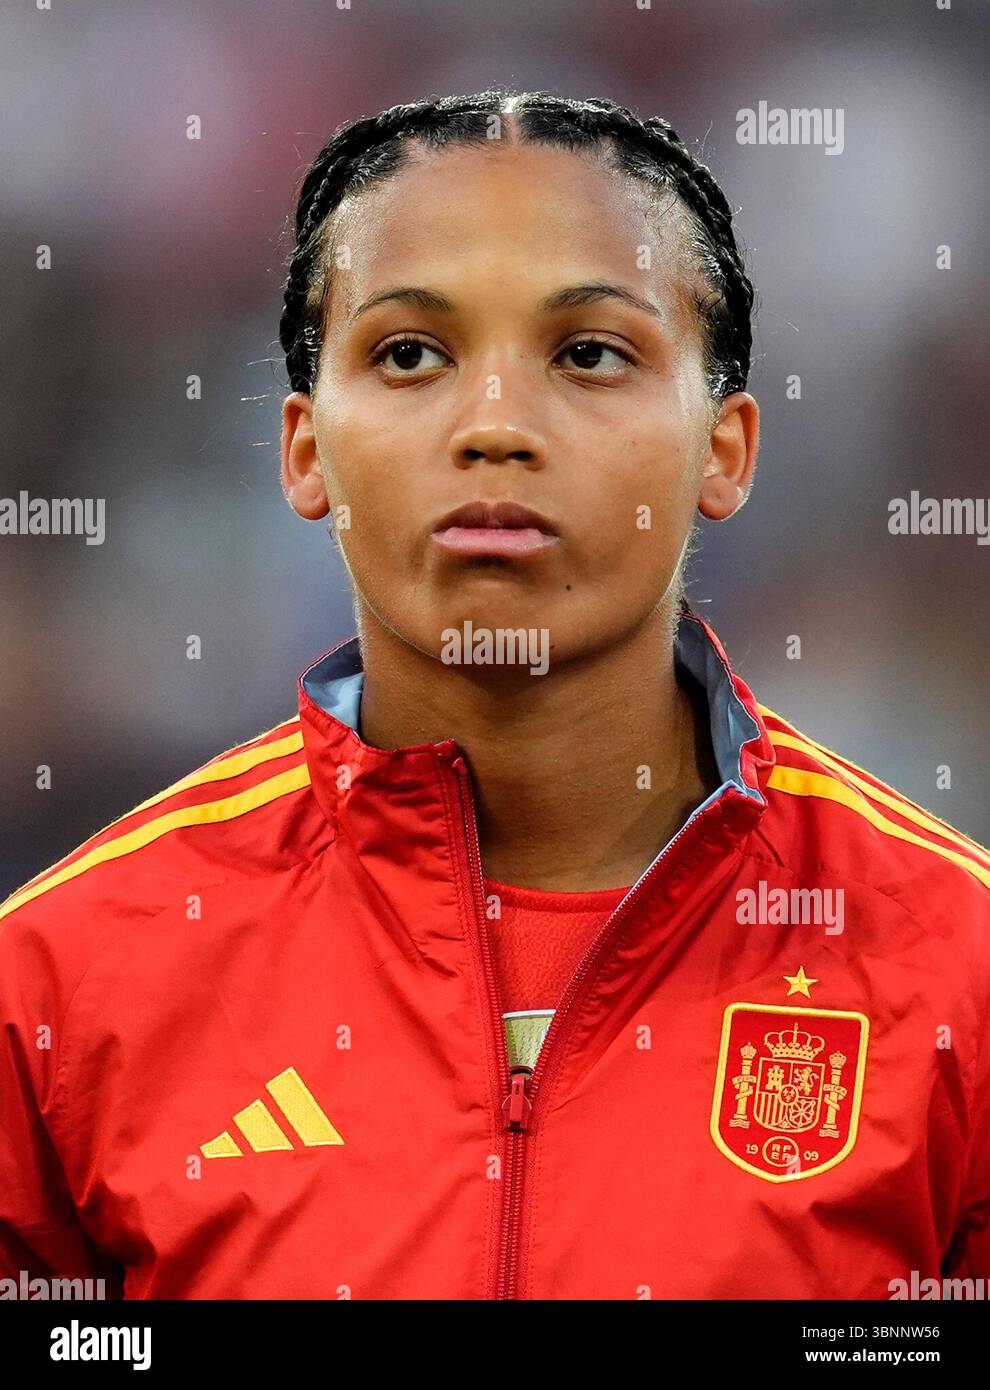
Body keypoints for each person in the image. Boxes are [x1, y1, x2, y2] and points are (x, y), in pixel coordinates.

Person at [1, 89, 987, 1301]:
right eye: (410, 353)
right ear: (304, 449)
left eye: (590, 353)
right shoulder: (56, 985)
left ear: (723, 449)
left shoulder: (959, 970)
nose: (496, 426)